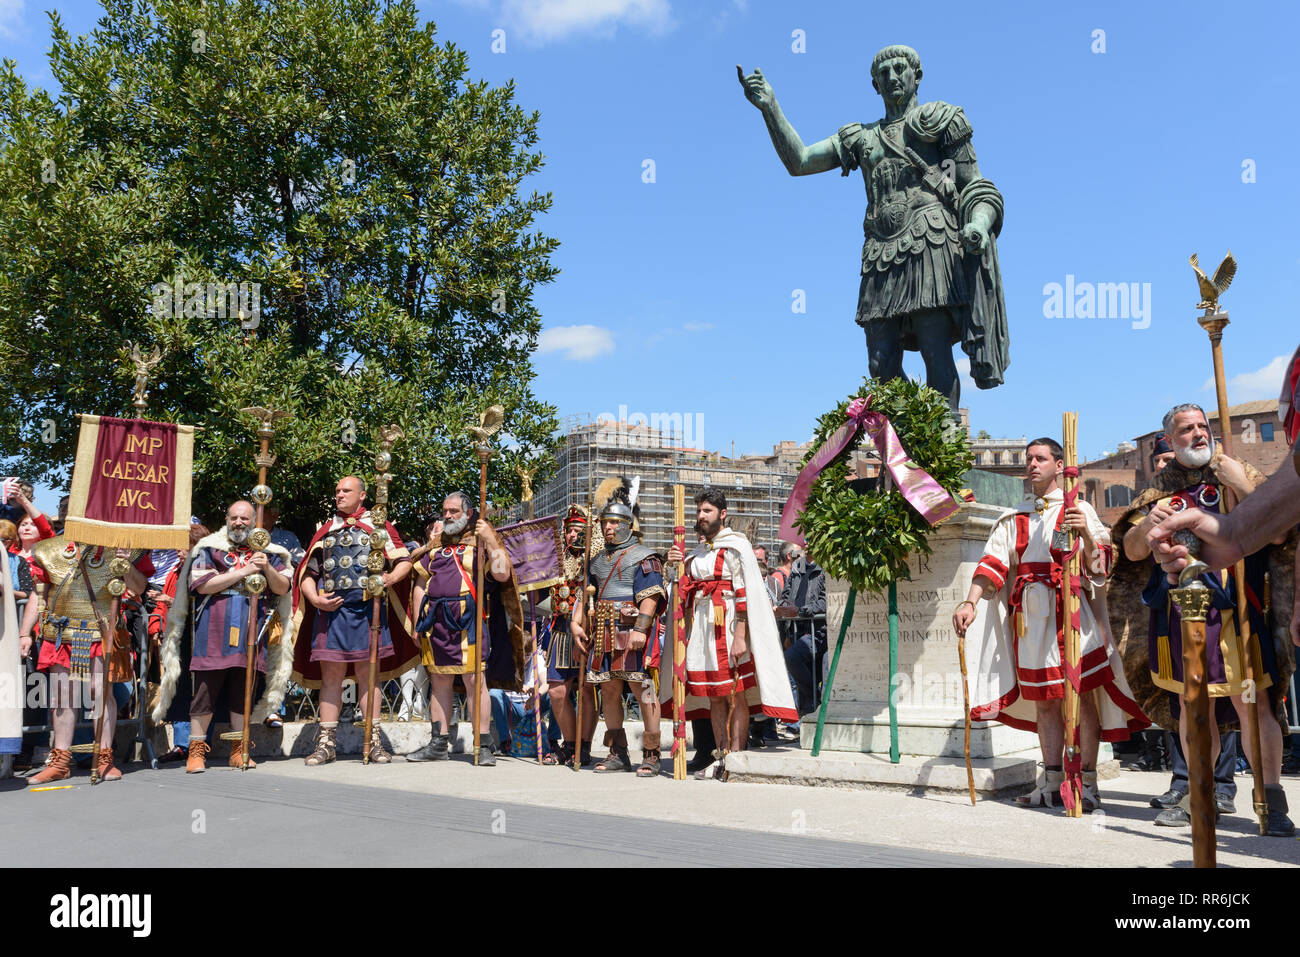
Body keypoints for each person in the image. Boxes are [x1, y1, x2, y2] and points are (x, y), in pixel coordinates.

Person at [738, 44, 1008, 410]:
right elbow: (800, 161)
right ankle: (901, 442)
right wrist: (770, 107)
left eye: (900, 69)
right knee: (880, 364)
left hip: (930, 243)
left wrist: (977, 222)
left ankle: (942, 447)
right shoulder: (861, 138)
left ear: (917, 76)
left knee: (935, 351)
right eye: (884, 73)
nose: (893, 76)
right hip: (881, 253)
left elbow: (975, 185)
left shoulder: (940, 120)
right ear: (875, 85)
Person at [1126, 404, 1294, 836]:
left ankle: (1271, 800)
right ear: (1170, 440)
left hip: (1238, 609)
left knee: (1254, 705)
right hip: (1182, 616)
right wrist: (1149, 526)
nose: (1198, 434)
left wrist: (1233, 476)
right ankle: (1199, 793)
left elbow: (1278, 531)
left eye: (1204, 426)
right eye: (1187, 429)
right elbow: (1129, 551)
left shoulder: (1237, 474)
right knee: (1191, 706)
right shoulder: (1159, 490)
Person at [954, 438, 1146, 812]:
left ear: (1060, 465)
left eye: (1040, 459)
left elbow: (1101, 566)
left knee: (1084, 697)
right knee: (1045, 703)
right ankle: (1052, 781)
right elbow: (993, 564)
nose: (1031, 465)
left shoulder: (1079, 509)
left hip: (1074, 614)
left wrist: (1087, 533)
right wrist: (970, 602)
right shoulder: (1016, 515)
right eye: (1028, 459)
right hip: (1032, 620)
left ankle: (1087, 783)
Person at [153, 502, 295, 772]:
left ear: (255, 521)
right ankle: (196, 751)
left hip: (252, 630)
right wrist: (243, 572)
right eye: (234, 517)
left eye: (245, 518)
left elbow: (282, 587)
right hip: (213, 630)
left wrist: (266, 567)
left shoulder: (270, 552)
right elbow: (201, 584)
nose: (239, 522)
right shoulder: (208, 548)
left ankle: (238, 750)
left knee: (243, 693)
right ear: (226, 519)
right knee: (204, 692)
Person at [667, 489, 798, 780]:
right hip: (701, 632)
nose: (700, 516)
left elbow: (744, 595)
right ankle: (721, 753)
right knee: (715, 696)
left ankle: (737, 755)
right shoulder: (697, 553)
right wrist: (674, 563)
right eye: (699, 511)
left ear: (722, 514)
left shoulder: (737, 546)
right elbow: (680, 591)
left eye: (707, 511)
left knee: (734, 694)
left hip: (726, 627)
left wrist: (741, 636)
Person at [291, 475, 419, 766]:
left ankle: (371, 741)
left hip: (367, 612)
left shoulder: (379, 526)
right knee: (331, 677)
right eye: (337, 491)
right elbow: (307, 575)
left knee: (367, 676)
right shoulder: (327, 530)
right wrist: (314, 600)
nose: (339, 495)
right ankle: (326, 744)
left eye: (346, 490)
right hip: (331, 613)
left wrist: (387, 580)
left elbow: (404, 561)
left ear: (362, 495)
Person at [405, 492, 523, 766]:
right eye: (445, 511)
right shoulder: (435, 545)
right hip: (435, 622)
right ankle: (438, 743)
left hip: (468, 621)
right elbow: (421, 583)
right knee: (439, 680)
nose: (447, 516)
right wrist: (417, 623)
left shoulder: (480, 544)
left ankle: (482, 745)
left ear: (468, 514)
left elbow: (503, 574)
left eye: (454, 511)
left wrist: (492, 538)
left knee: (474, 681)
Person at [25, 536, 152, 783]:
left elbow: (139, 588)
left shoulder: (122, 546)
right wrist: (24, 632)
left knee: (100, 692)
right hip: (61, 632)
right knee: (63, 694)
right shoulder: (50, 548)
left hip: (101, 630)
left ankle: (103, 758)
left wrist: (126, 564)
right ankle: (60, 761)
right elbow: (38, 592)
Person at [570, 477, 666, 776]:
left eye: (614, 523)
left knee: (643, 689)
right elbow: (586, 597)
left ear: (627, 525)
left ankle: (651, 753)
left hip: (631, 629)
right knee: (609, 690)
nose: (608, 528)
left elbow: (651, 597)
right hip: (602, 631)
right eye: (604, 524)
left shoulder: (644, 556)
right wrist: (577, 626)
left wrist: (640, 629)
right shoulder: (596, 561)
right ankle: (618, 753)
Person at [540, 504, 598, 767]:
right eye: (569, 530)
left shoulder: (596, 559)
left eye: (578, 530)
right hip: (560, 628)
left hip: (587, 628)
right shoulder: (556, 556)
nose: (573, 535)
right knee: (557, 691)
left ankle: (583, 747)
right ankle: (570, 743)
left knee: (586, 689)